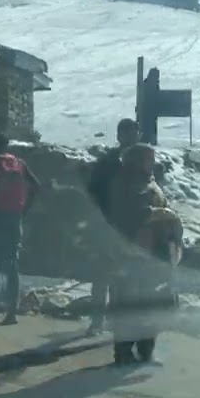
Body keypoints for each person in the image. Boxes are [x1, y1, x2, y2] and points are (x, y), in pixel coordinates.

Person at [106, 143, 183, 366]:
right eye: (148, 158)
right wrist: (161, 213)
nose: (153, 161)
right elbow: (128, 214)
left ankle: (146, 350)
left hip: (154, 254)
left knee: (152, 304)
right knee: (129, 304)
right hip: (133, 254)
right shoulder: (125, 182)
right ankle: (123, 352)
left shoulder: (148, 181)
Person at [0, 133, 41, 324]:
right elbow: (36, 186)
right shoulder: (19, 163)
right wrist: (23, 209)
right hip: (14, 218)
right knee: (11, 264)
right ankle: (11, 313)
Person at [84, 118, 141, 334]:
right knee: (107, 276)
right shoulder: (114, 162)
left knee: (111, 277)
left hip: (128, 228)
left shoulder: (137, 161)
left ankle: (107, 323)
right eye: (128, 134)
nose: (130, 139)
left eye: (132, 134)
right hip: (117, 228)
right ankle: (104, 323)